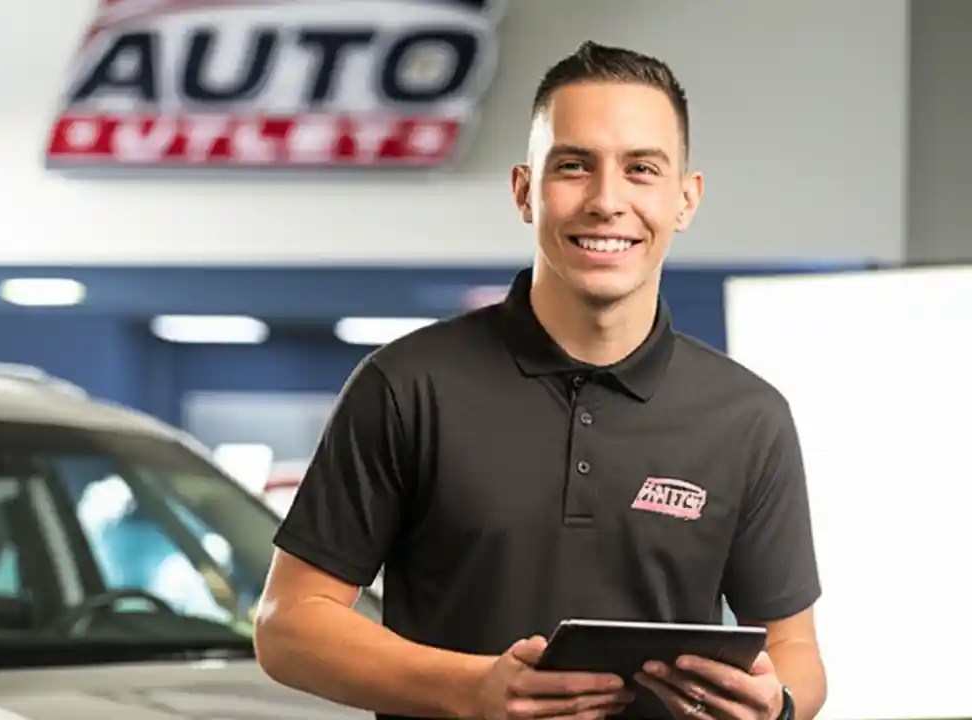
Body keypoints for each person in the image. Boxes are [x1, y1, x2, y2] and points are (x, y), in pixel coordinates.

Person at [252, 40, 826, 720]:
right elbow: (289, 624)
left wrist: (777, 704)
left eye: (641, 169)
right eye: (575, 167)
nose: (608, 201)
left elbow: (797, 648)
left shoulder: (747, 416)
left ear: (685, 199)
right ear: (526, 190)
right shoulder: (407, 386)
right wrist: (472, 689)